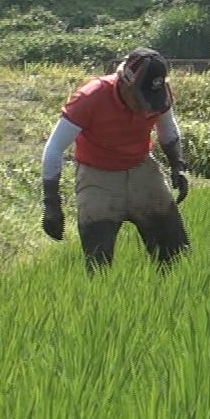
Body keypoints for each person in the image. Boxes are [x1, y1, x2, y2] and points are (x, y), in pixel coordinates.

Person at [41, 46, 190, 270]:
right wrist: (52, 204)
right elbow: (54, 148)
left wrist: (177, 165)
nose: (145, 108)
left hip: (141, 169)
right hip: (97, 176)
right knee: (98, 260)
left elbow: (167, 129)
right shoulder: (90, 97)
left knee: (176, 254)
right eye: (141, 100)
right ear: (125, 82)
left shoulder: (160, 93)